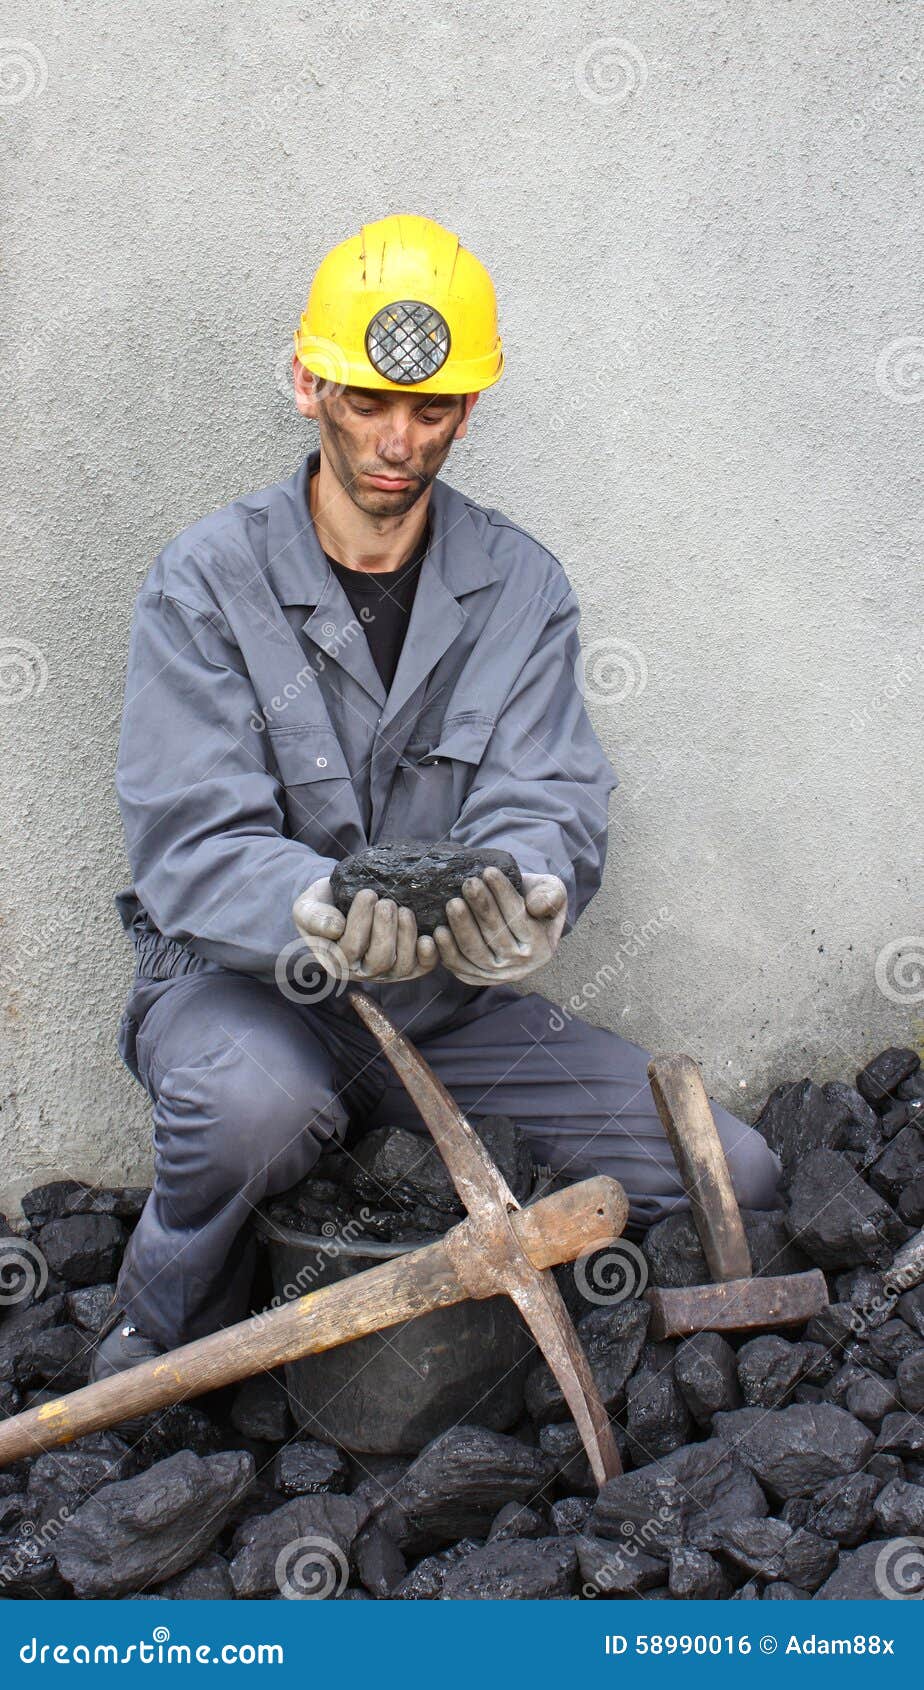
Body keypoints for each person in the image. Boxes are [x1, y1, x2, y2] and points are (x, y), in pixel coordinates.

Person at [94, 213, 780, 1379]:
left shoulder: (519, 587)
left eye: (430, 410)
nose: (395, 443)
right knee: (255, 1108)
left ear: (471, 408)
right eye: (367, 401)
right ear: (309, 383)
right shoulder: (206, 582)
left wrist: (532, 895)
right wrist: (315, 908)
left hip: (444, 1013)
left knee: (739, 1167)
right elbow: (190, 843)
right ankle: (151, 1340)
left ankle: (515, 1321)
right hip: (247, 991)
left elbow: (547, 793)